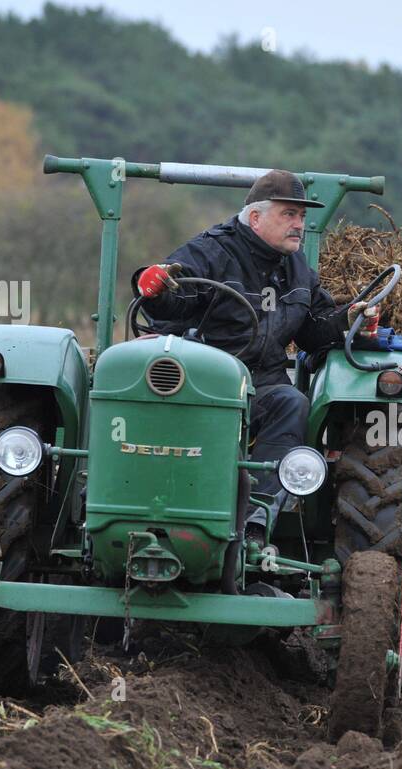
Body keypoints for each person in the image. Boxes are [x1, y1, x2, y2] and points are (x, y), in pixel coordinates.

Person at [132, 169, 371, 543]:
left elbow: (314, 331)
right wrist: (157, 287)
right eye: (288, 215)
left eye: (302, 217)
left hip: (261, 388)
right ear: (256, 217)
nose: (299, 225)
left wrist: (347, 319)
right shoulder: (211, 251)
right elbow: (171, 300)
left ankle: (256, 519)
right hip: (199, 386)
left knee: (292, 402)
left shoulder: (298, 269)